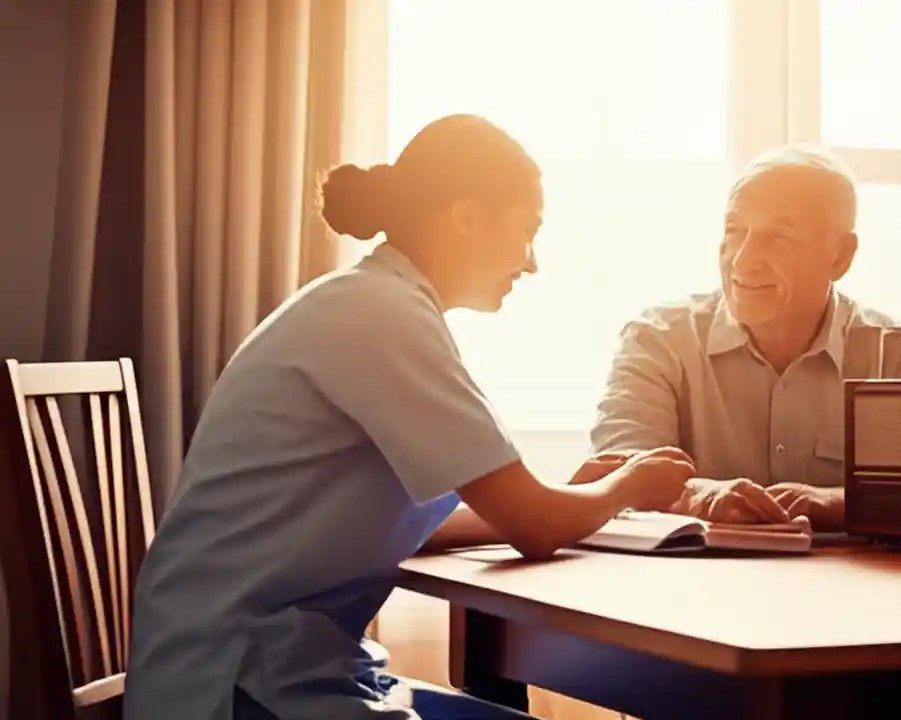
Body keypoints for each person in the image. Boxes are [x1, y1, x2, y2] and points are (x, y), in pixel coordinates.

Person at [122, 114, 695, 720]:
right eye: (527, 232)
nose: (531, 263)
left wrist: (573, 495)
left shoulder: (375, 302)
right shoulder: (382, 316)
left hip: (264, 669)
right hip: (233, 687)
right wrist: (627, 486)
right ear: (466, 216)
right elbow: (533, 526)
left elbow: (434, 524)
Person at [589, 143, 901, 532]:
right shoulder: (658, 341)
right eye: (734, 231)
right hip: (693, 585)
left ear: (840, 256)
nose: (743, 260)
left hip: (861, 586)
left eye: (778, 237)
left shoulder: (898, 355)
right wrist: (700, 495)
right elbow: (616, 478)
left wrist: (840, 502)